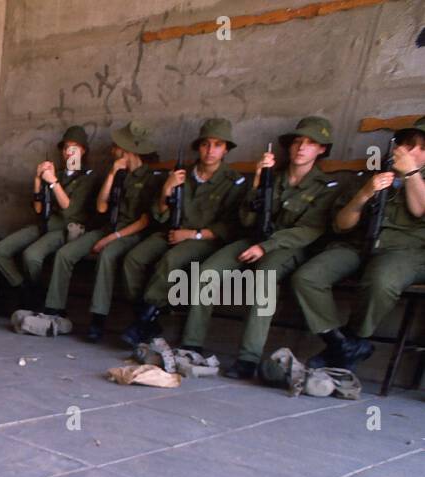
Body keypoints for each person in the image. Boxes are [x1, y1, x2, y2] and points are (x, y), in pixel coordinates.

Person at [179, 117, 341, 379]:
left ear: (322, 150)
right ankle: (191, 344)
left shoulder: (326, 186)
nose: (301, 148)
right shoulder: (270, 179)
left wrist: (267, 247)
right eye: (297, 142)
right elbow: (246, 220)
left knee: (263, 280)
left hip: (288, 246)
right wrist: (256, 183)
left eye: (311, 143)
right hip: (253, 240)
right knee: (207, 271)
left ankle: (248, 359)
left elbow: (308, 231)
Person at [291, 117, 425, 370]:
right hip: (358, 244)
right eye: (409, 144)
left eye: (422, 148)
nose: (412, 151)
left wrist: (411, 173)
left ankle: (354, 339)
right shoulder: (373, 172)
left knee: (382, 281)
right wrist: (365, 193)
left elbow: (420, 209)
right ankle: (342, 345)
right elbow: (342, 224)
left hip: (405, 250)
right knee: (308, 277)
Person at [121, 117, 249, 347]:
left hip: (205, 239)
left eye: (218, 145)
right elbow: (160, 213)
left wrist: (194, 235)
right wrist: (166, 189)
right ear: (198, 147)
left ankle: (144, 319)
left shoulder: (233, 181)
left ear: (226, 149)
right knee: (134, 258)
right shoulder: (182, 174)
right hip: (172, 231)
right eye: (205, 144)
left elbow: (231, 226)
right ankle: (149, 317)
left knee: (171, 260)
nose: (210, 150)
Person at [41, 120, 162, 342]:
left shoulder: (150, 178)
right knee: (65, 253)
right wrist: (112, 174)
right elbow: (101, 206)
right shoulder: (117, 173)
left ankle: (98, 319)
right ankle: (54, 310)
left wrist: (112, 238)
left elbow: (145, 220)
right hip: (108, 229)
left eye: (117, 147)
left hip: (131, 233)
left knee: (107, 255)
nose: (112, 150)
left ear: (127, 151)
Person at [0, 125, 97, 318]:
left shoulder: (88, 177)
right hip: (46, 224)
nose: (67, 152)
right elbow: (39, 209)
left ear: (83, 151)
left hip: (67, 228)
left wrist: (53, 182)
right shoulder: (61, 173)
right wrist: (38, 180)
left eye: (73, 148)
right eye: (65, 148)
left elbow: (69, 208)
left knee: (31, 255)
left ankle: (39, 297)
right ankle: (26, 290)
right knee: (0, 250)